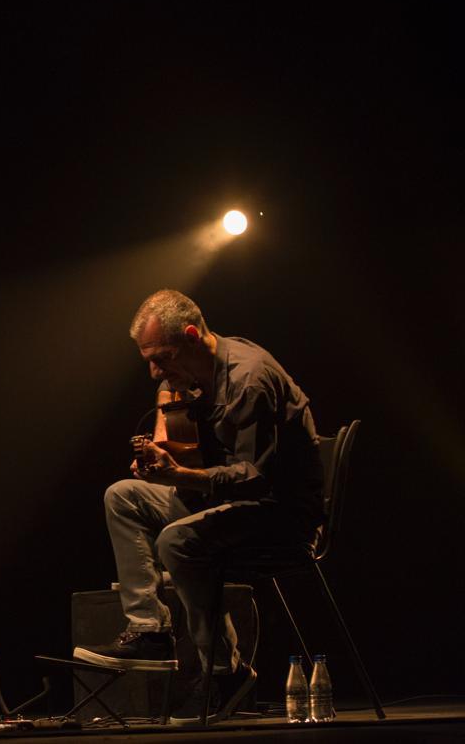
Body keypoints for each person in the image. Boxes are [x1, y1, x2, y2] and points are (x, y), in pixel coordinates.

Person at [73, 290, 323, 721]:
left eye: (162, 357)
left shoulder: (248, 379)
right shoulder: (193, 375)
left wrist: (182, 476)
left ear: (192, 336)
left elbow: (255, 479)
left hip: (279, 514)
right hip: (231, 503)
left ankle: (225, 672)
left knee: (178, 541)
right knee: (123, 496)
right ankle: (151, 630)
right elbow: (197, 450)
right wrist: (164, 461)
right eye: (147, 359)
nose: (155, 372)